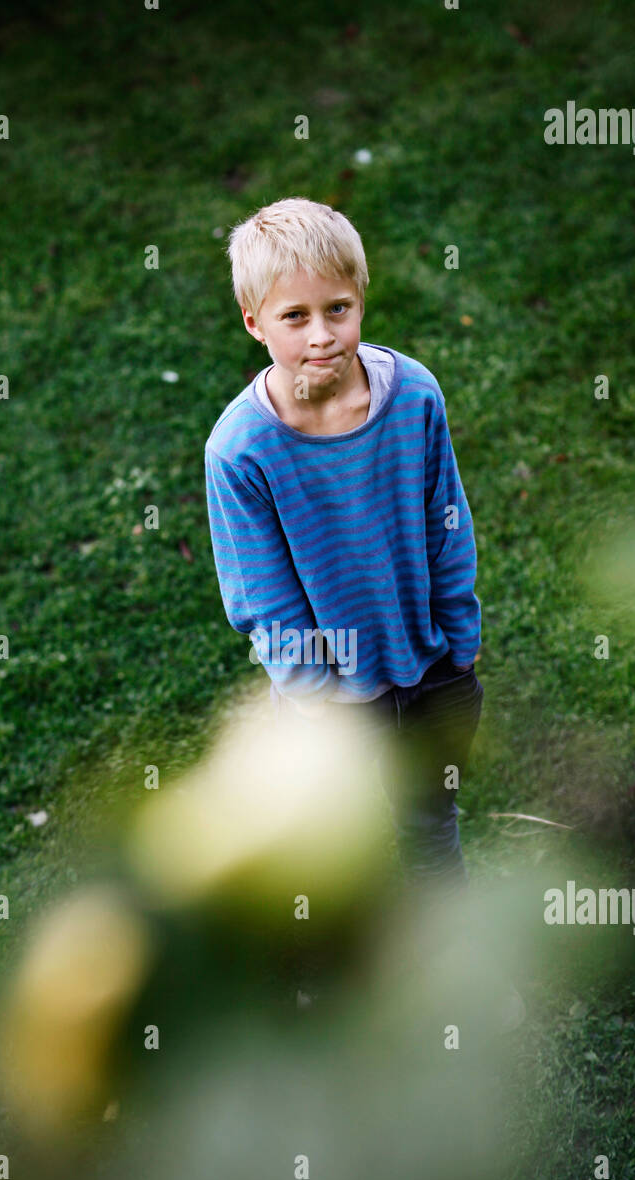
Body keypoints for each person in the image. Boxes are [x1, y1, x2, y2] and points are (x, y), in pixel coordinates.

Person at [204, 196, 484, 896]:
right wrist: (317, 701)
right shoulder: (240, 451)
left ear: (361, 300)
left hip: (432, 670)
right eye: (294, 317)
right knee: (335, 855)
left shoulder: (413, 396)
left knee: (431, 831)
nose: (322, 334)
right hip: (328, 708)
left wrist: (461, 634)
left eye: (338, 309)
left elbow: (447, 518)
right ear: (254, 322)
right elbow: (262, 598)